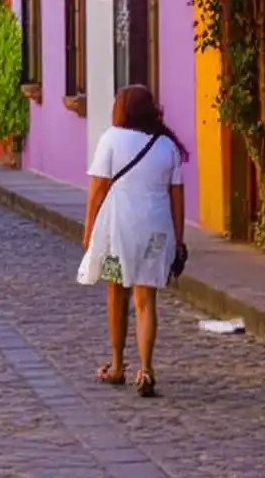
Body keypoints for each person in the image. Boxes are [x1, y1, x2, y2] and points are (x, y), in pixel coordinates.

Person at [77, 84, 188, 397]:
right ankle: (147, 369)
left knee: (116, 292)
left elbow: (98, 189)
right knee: (145, 300)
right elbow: (177, 198)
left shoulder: (111, 138)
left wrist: (88, 228)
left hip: (117, 231)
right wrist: (178, 240)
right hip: (156, 230)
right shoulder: (167, 146)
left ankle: (116, 365)